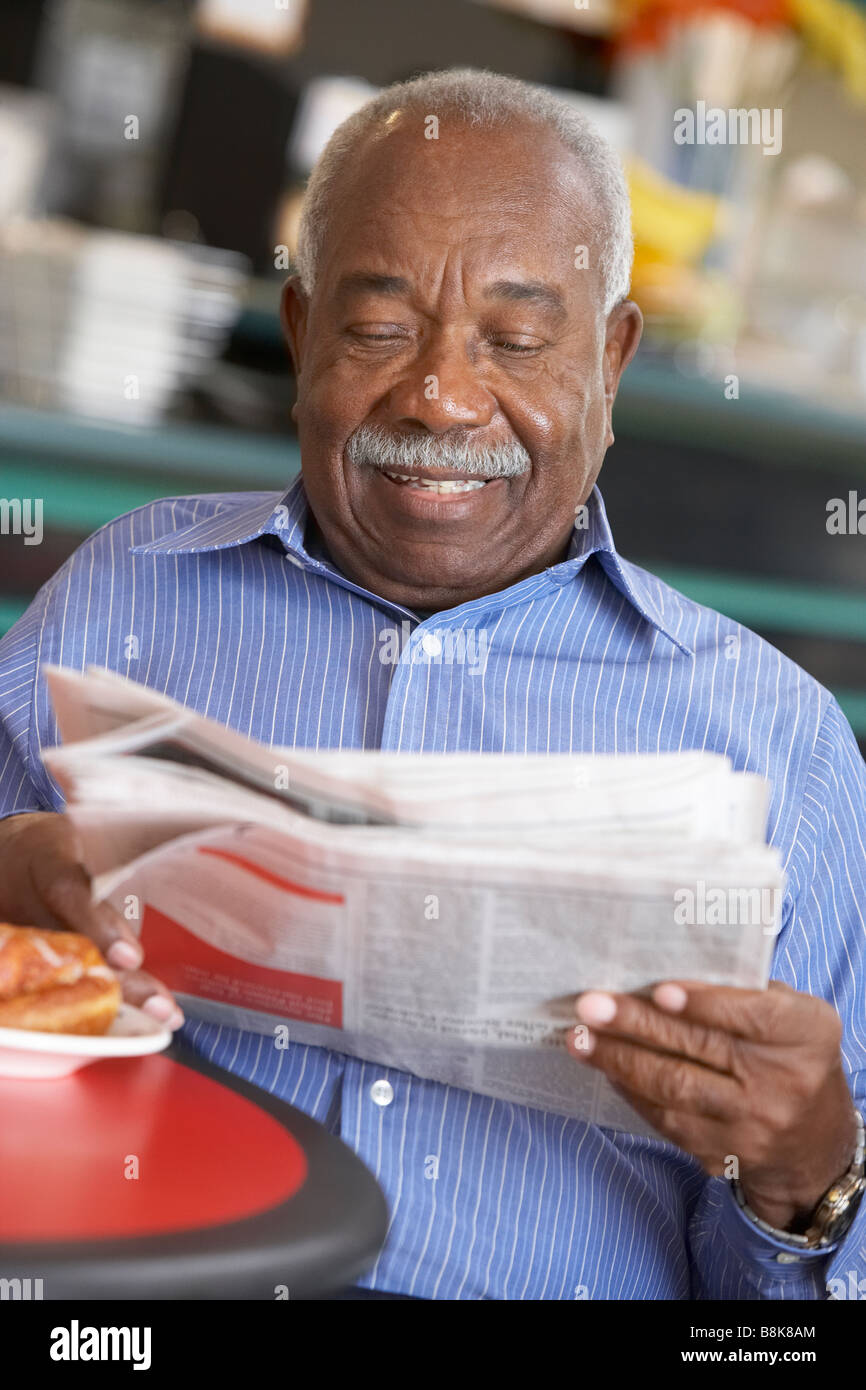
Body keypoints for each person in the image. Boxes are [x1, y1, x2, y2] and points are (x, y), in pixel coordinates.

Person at [0, 69, 863, 1301]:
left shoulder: (783, 745)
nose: (442, 398)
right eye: (378, 329)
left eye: (515, 340)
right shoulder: (127, 593)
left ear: (609, 360)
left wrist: (808, 1173)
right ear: (300, 337)